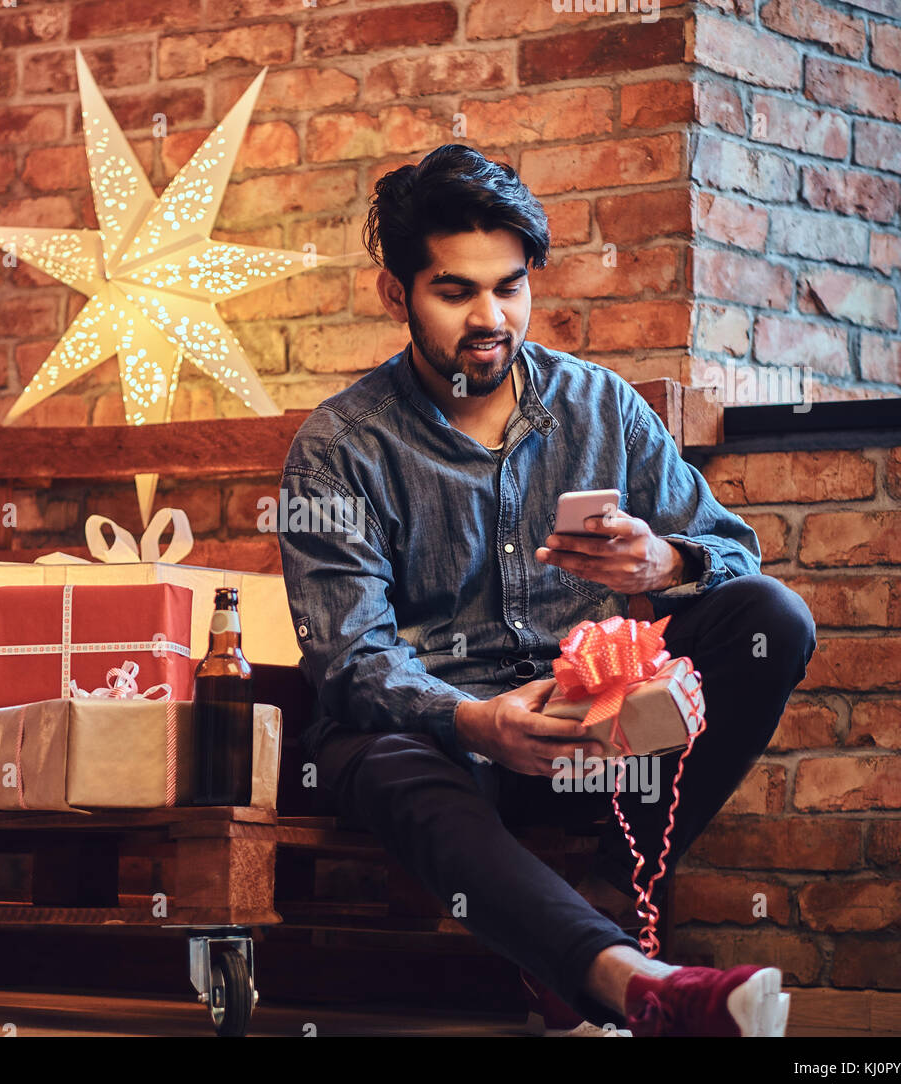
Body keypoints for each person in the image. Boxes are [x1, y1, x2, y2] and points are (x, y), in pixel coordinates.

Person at [276, 144, 817, 1036]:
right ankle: (631, 980)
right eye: (457, 292)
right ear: (395, 293)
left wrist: (666, 566)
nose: (491, 317)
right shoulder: (341, 446)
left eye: (511, 287)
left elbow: (734, 553)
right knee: (382, 753)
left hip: (593, 743)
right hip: (446, 752)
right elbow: (348, 659)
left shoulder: (600, 405)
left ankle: (605, 893)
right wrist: (472, 719)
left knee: (771, 618)